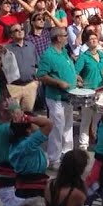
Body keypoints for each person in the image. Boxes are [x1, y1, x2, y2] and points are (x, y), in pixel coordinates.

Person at [35, 27, 75, 168]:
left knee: (68, 126)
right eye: (65, 35)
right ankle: (54, 159)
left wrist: (76, 76)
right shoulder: (48, 55)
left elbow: (67, 68)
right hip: (56, 97)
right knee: (57, 128)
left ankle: (68, 153)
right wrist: (58, 82)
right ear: (58, 38)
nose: (67, 37)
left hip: (68, 96)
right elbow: (41, 75)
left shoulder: (63, 52)